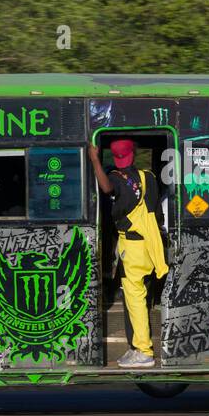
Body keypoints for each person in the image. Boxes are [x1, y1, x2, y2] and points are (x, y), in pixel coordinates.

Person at [89, 137, 168, 368]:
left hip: (132, 247)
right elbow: (156, 213)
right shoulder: (149, 177)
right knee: (138, 296)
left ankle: (143, 350)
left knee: (134, 298)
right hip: (150, 244)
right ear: (133, 153)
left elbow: (105, 188)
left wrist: (94, 161)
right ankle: (134, 347)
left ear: (115, 158)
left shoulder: (115, 177)